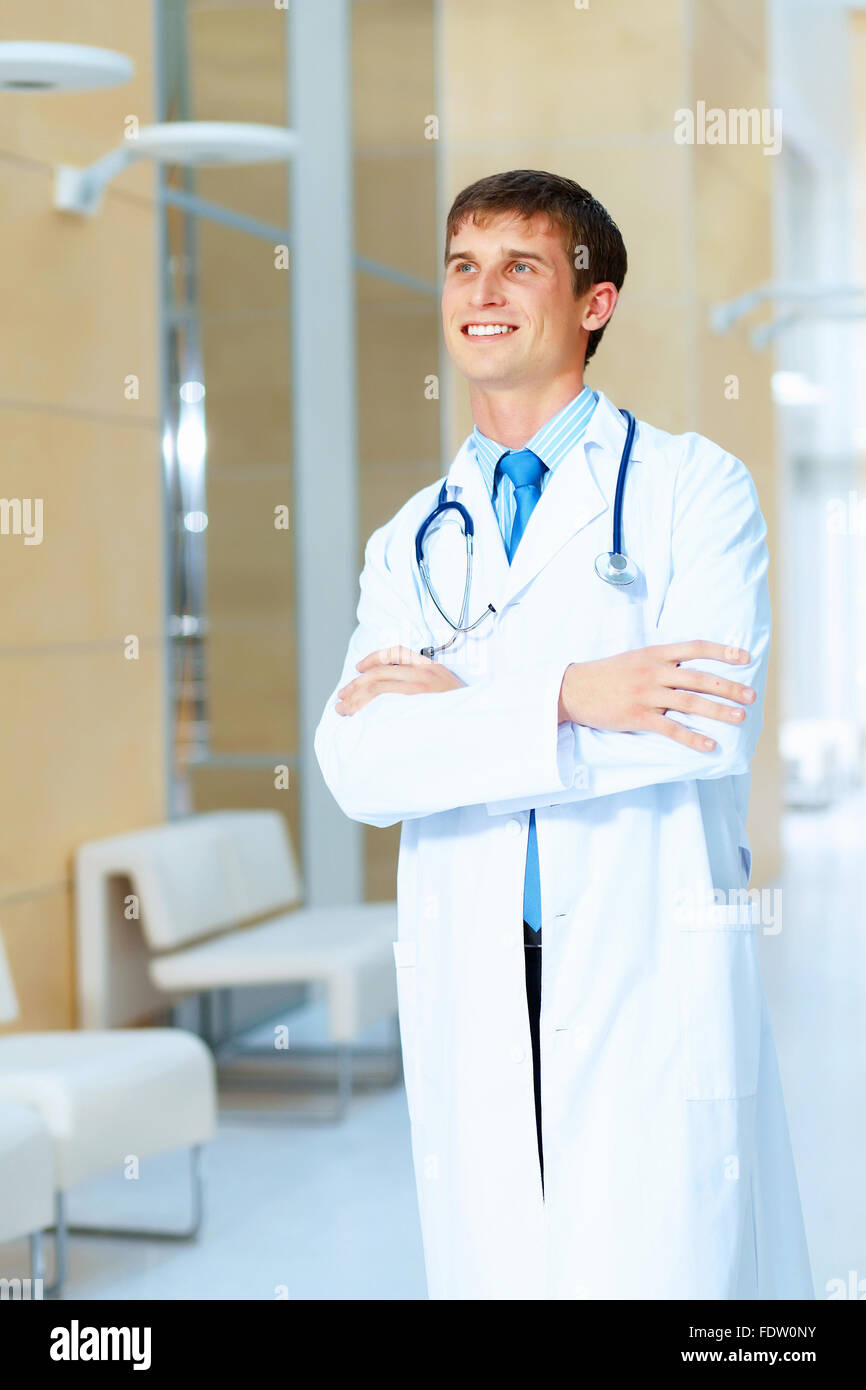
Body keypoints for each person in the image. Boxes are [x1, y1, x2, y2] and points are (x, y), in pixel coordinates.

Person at [315, 169, 813, 1301]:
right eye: (461, 265)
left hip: (645, 954)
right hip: (472, 966)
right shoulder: (409, 540)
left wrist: (460, 708)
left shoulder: (694, 489)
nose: (480, 293)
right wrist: (571, 693)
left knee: (663, 1266)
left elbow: (700, 726)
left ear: (594, 303)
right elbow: (357, 765)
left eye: (518, 266)